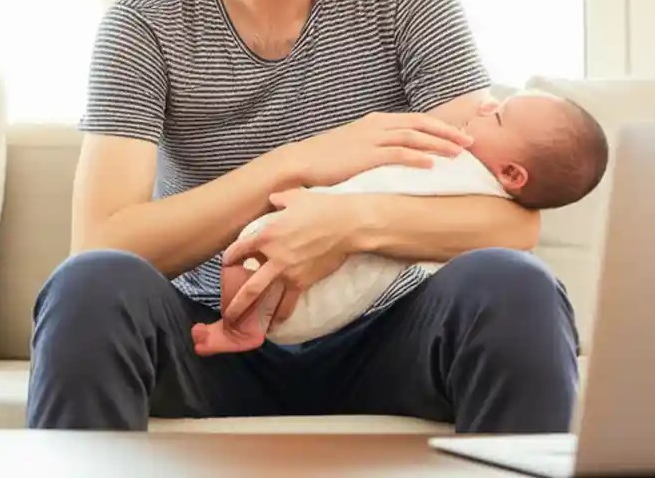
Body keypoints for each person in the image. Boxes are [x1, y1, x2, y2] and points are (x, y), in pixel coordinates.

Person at [27, 0, 582, 433]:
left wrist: (346, 224)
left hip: (382, 334)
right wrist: (295, 165)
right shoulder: (146, 24)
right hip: (213, 340)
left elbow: (509, 221)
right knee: (89, 291)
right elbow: (100, 244)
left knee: (514, 288)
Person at [191, 90, 609, 356]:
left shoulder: (466, 177)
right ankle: (241, 328)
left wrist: (342, 218)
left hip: (358, 318)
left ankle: (240, 327)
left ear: (513, 175)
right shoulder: (464, 173)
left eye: (497, 116)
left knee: (523, 282)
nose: (485, 105)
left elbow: (519, 230)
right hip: (298, 305)